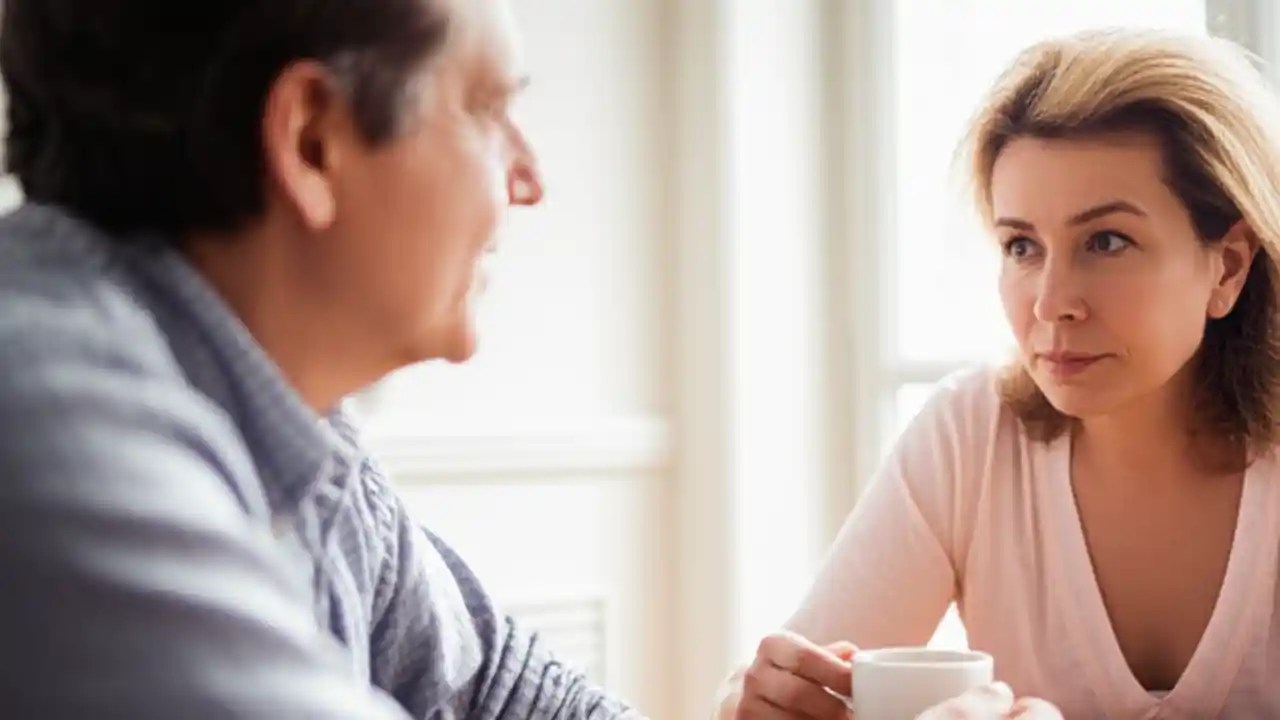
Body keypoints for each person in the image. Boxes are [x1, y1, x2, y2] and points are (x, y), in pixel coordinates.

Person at [0, 1, 641, 718]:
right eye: (488, 109)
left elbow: (499, 693)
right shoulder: (54, 434)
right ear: (312, 142)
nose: (529, 179)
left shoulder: (297, 433)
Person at [717, 27, 1280, 720]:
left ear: (1227, 266)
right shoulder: (971, 436)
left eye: (1106, 241)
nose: (1051, 302)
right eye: (1022, 245)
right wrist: (761, 707)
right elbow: (816, 693)